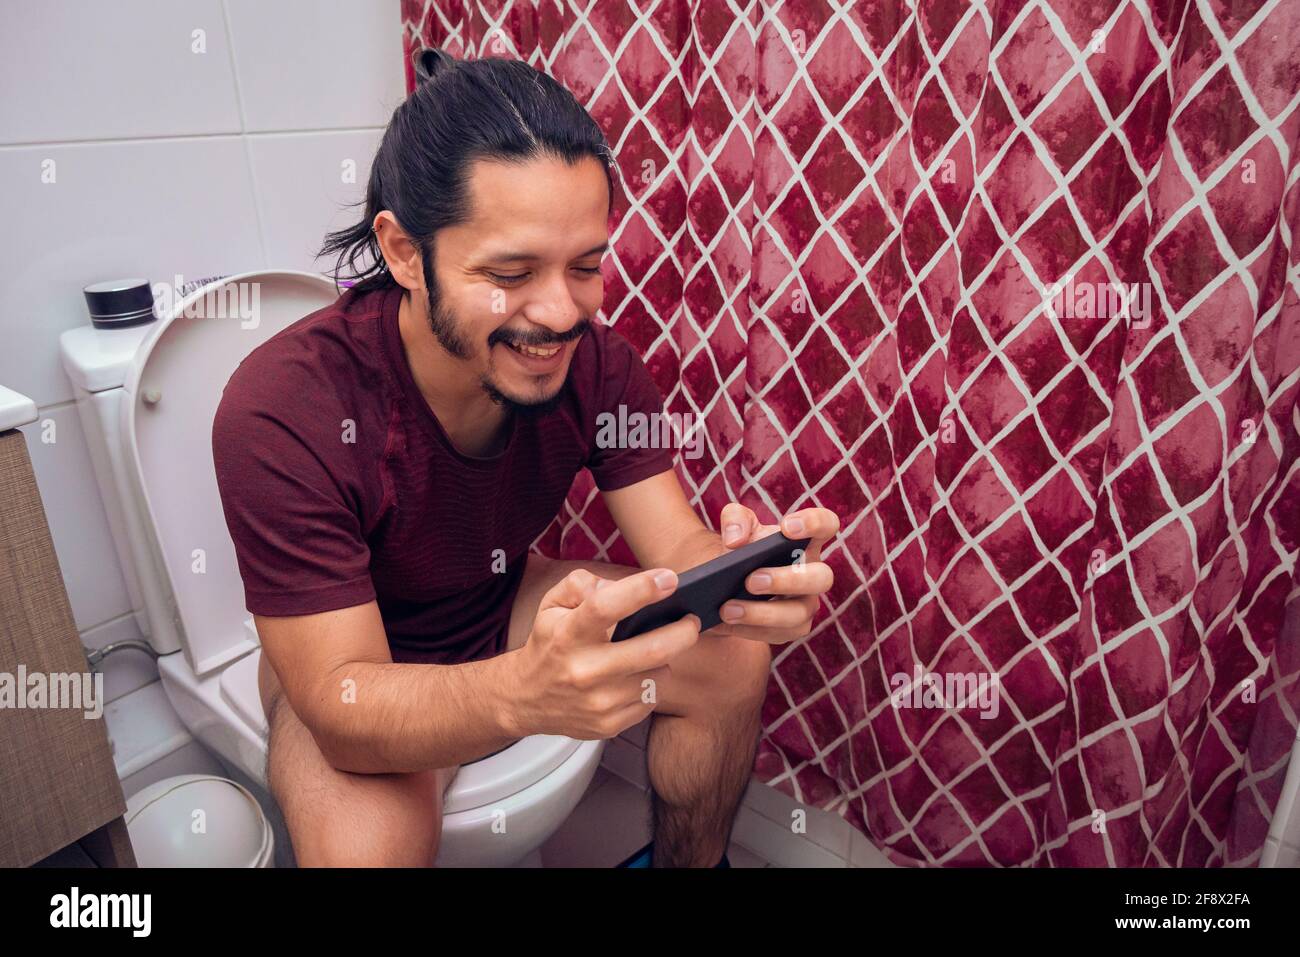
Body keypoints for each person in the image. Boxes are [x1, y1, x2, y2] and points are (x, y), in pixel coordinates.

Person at [211, 52, 839, 868]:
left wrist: (746, 582)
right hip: (366, 665)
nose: (559, 311)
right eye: (510, 274)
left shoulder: (598, 368)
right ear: (405, 254)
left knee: (728, 660)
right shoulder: (285, 406)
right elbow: (338, 700)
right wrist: (521, 693)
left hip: (500, 600)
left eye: (585, 266)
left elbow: (677, 552)